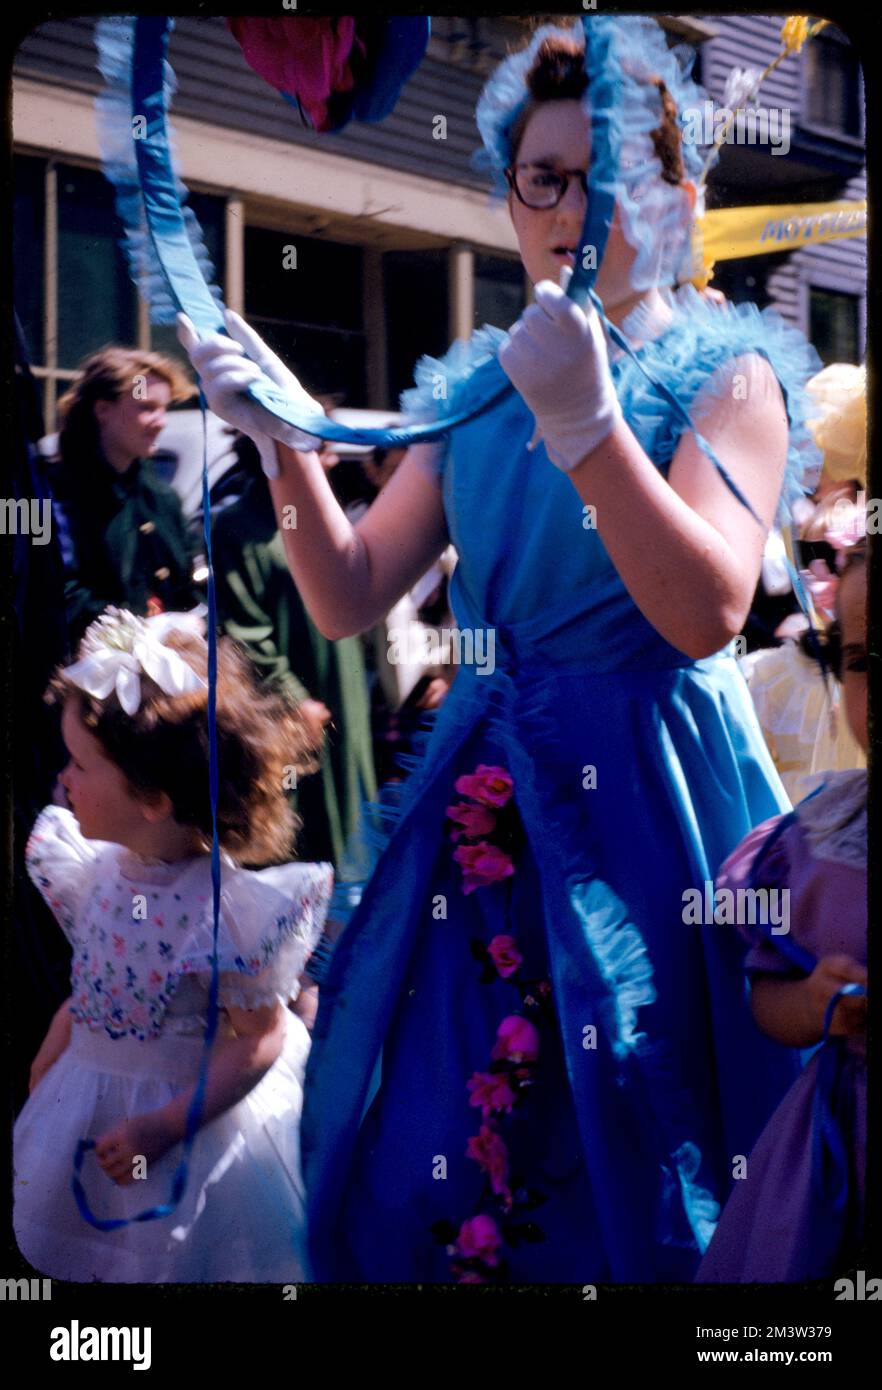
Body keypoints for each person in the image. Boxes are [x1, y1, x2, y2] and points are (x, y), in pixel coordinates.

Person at [178, 17, 823, 1282]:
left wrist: (587, 425)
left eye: (610, 175)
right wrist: (284, 450)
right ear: (508, 195)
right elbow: (352, 592)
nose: (574, 207)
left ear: (677, 197)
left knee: (647, 1140)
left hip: (651, 802)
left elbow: (707, 611)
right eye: (545, 178)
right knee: (445, 1134)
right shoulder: (476, 383)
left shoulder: (728, 375)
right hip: (488, 796)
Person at [13, 607, 333, 1282]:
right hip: (94, 1115)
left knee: (185, 1263)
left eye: (79, 764)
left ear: (154, 798)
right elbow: (101, 988)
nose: (62, 779)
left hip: (185, 1133)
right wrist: (57, 1044)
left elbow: (258, 1037)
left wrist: (165, 1125)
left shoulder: (224, 911)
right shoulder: (93, 874)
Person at [697, 536, 867, 1282]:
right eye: (865, 664)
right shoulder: (821, 840)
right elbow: (765, 992)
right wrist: (814, 1002)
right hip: (845, 1156)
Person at [211, 438, 377, 868]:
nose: (334, 459)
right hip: (290, 710)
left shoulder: (321, 519)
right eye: (321, 448)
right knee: (302, 834)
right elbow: (244, 631)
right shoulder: (238, 526)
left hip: (339, 690)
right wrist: (292, 698)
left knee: (350, 822)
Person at [49, 347, 200, 650]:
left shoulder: (163, 498)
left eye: (164, 409)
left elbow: (190, 584)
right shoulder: (41, 494)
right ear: (102, 409)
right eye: (146, 407)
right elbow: (51, 595)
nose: (161, 421)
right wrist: (142, 629)